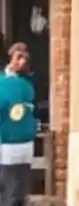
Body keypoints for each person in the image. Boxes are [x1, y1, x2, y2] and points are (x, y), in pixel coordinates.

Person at [0, 44, 36, 206]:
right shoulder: (2, 83)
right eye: (18, 57)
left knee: (19, 192)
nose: (22, 62)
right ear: (11, 58)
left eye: (25, 59)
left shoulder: (28, 85)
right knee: (10, 191)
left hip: (24, 144)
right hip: (6, 144)